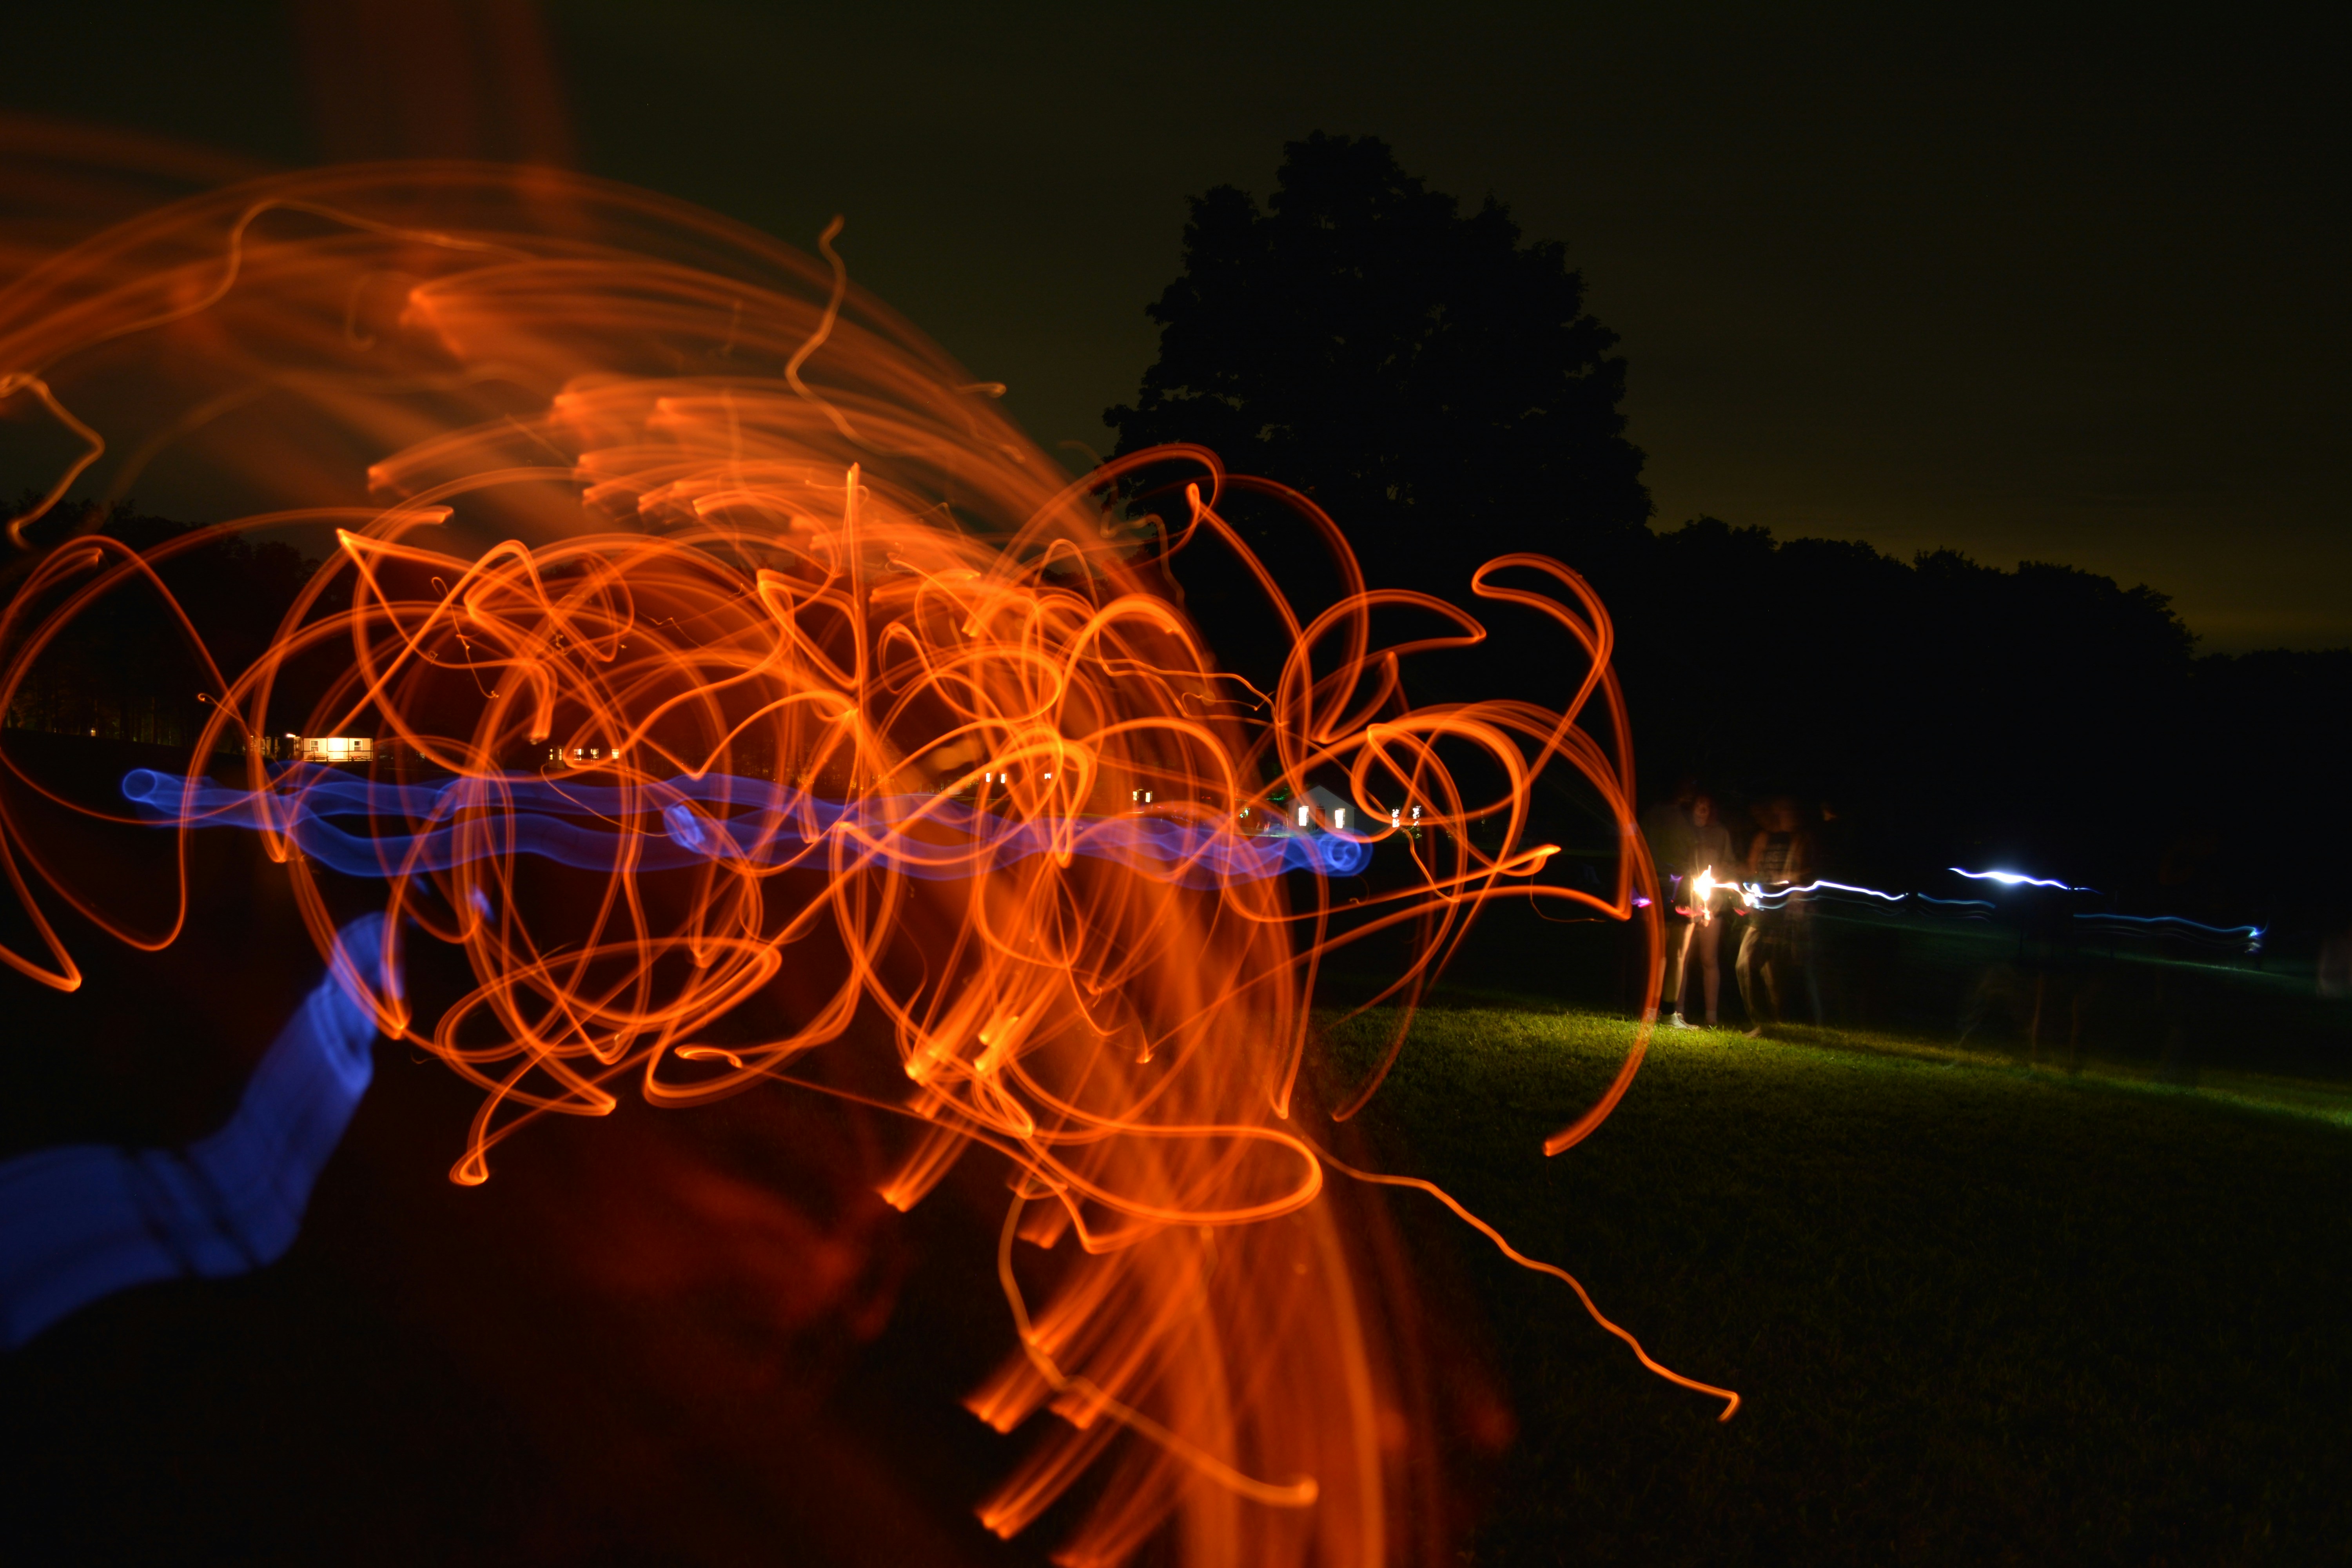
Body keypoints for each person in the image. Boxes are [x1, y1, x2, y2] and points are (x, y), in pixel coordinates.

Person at [1736, 797, 1816, 1035]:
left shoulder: (1800, 839)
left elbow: (1806, 873)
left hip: (1783, 915)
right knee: (1745, 963)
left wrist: (1790, 880)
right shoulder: (1764, 837)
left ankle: (1775, 1024)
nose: (1787, 813)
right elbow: (1751, 869)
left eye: (1790, 809)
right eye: (1783, 809)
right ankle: (1764, 1023)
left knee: (1773, 973)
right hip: (1763, 912)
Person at [1671, 793, 1737, 1028]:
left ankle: (1712, 1018)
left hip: (1712, 903)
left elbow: (1728, 866)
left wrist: (1718, 896)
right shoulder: (1683, 831)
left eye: (1708, 806)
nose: (1703, 809)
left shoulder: (1720, 834)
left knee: (1709, 958)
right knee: (1683, 958)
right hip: (1687, 901)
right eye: (1699, 804)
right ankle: (1677, 1013)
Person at [1639, 779, 1699, 1019]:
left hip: (1657, 885)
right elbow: (1693, 856)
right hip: (1681, 887)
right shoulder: (1685, 820)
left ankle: (1652, 1010)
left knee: (1660, 953)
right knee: (1677, 953)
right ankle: (1669, 1012)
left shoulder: (1652, 815)